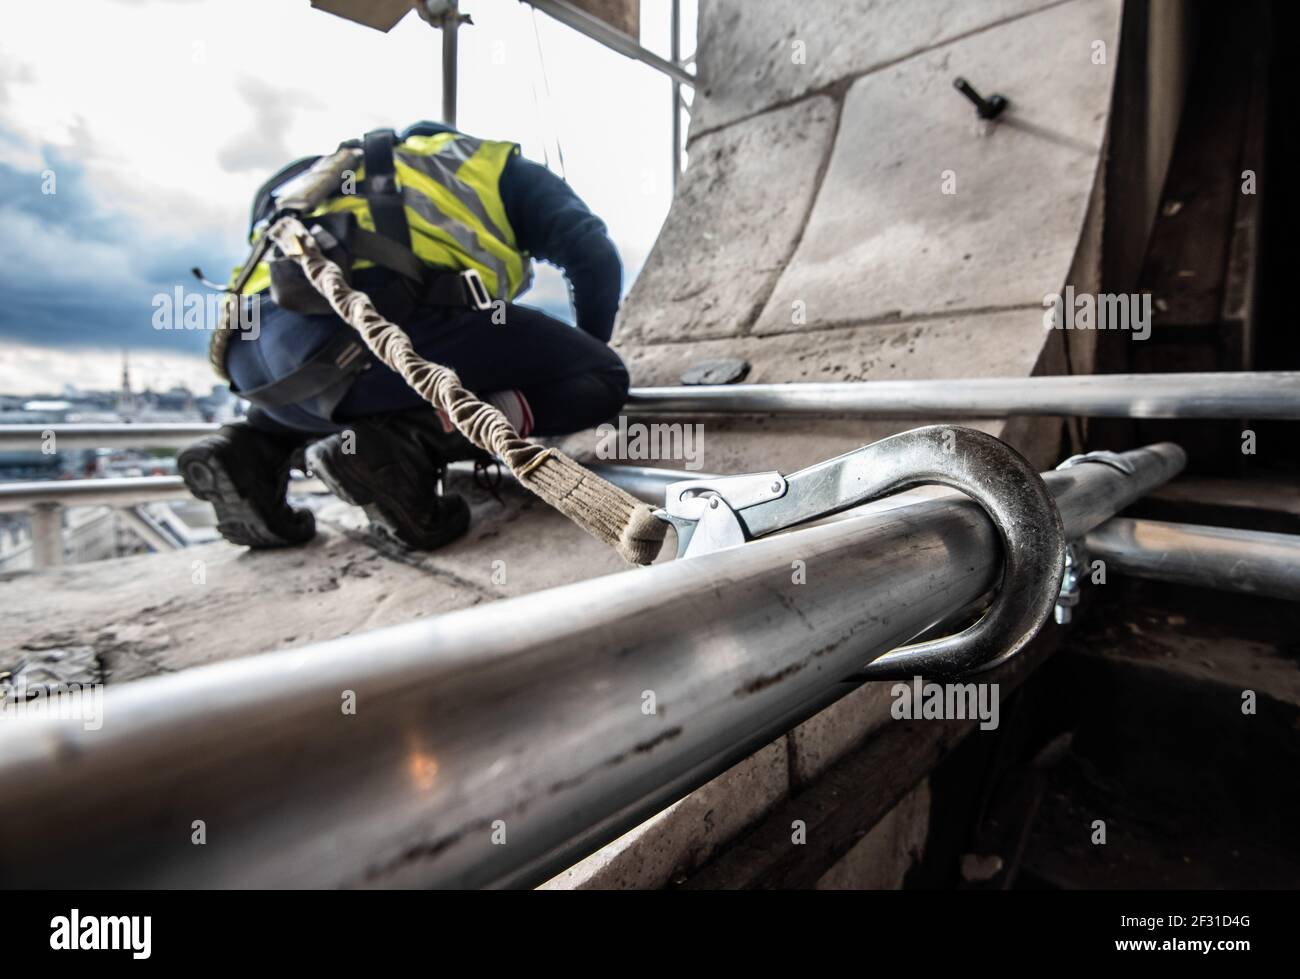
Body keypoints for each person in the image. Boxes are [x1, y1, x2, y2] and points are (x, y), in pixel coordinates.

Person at [180, 122, 628, 552]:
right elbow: (592, 253)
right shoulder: (492, 164)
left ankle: (249, 452)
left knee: (365, 381)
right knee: (601, 378)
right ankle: (409, 444)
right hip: (357, 334)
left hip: (254, 362)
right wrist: (587, 347)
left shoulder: (341, 172)